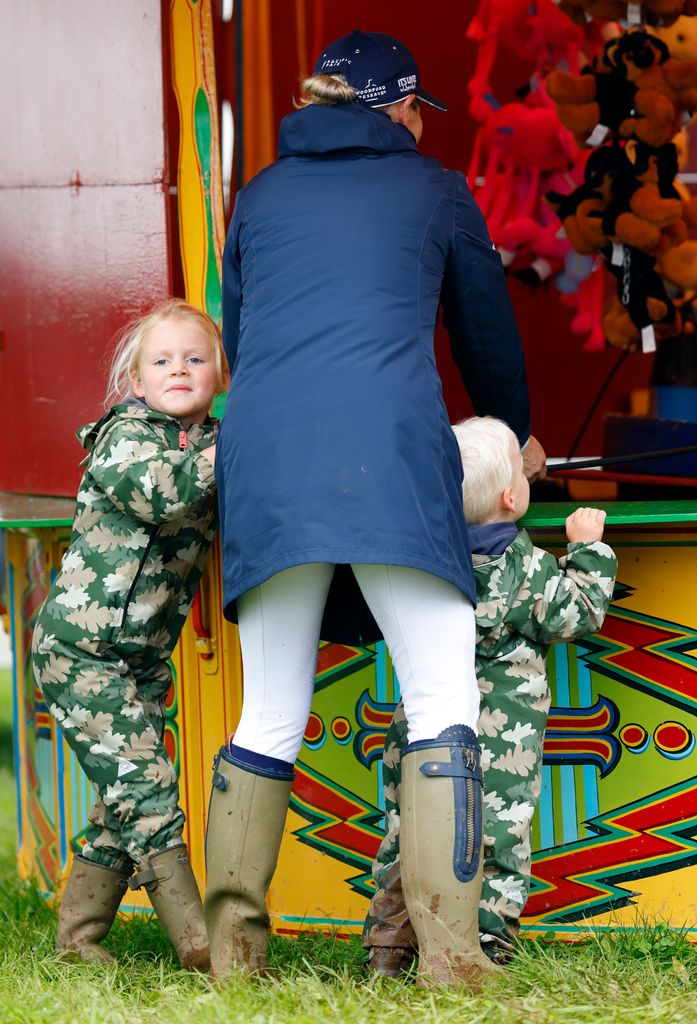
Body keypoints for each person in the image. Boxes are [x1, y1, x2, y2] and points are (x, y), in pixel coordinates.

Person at [206, 30, 546, 987]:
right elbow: (485, 329)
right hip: (390, 457)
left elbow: (242, 334)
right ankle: (450, 962)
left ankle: (236, 961)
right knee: (443, 698)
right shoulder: (434, 188)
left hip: (266, 455)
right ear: (397, 107)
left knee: (267, 707)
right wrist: (510, 433)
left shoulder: (261, 192)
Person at [362, 416, 618, 975]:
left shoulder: (425, 556)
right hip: (505, 734)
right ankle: (487, 945)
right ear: (511, 496)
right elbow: (578, 612)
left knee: (410, 828)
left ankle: (389, 947)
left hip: (421, 728)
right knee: (497, 833)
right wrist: (588, 548)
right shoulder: (522, 567)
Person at [32, 299, 229, 970]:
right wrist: (241, 445)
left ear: (220, 374)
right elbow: (160, 495)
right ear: (138, 382)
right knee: (144, 791)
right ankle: (202, 949)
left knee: (124, 801)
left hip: (137, 660)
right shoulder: (129, 436)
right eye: (162, 360)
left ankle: (79, 943)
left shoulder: (210, 444)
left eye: (196, 358)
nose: (180, 369)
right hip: (79, 652)